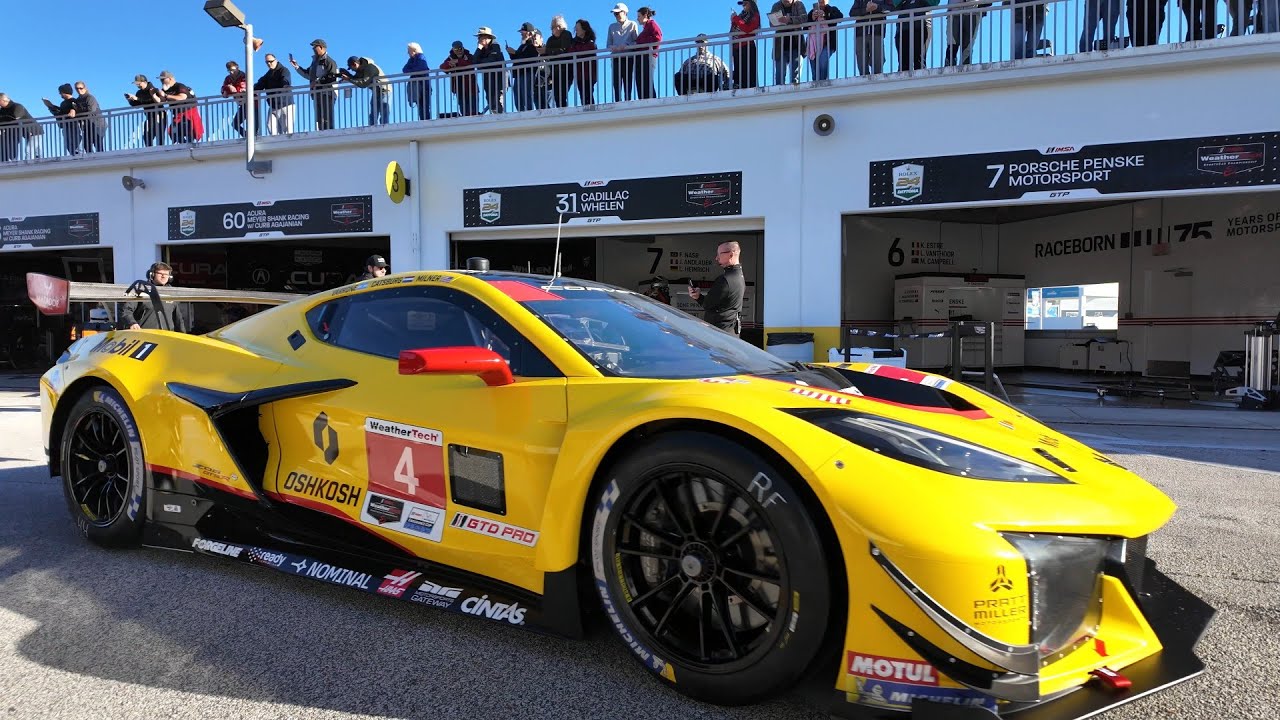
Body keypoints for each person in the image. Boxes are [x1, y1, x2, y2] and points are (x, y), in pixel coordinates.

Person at [689, 241, 745, 336]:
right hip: (731, 332)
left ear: (731, 254)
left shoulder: (725, 279)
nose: (716, 258)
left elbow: (708, 304)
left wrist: (698, 297)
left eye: (719, 254)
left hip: (719, 334)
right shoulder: (739, 276)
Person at [121, 262, 187, 332]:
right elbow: (126, 310)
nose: (163, 276)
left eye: (166, 274)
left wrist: (183, 334)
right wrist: (132, 323)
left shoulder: (171, 293)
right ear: (152, 275)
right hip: (146, 335)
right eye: (160, 274)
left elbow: (178, 318)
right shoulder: (141, 291)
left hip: (167, 336)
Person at [291, 38, 340, 131]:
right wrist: (297, 67)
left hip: (327, 93)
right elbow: (308, 75)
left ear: (321, 47)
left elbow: (332, 77)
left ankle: (329, 134)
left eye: (315, 47)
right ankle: (321, 133)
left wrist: (318, 82)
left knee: (327, 117)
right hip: (316, 93)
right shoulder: (314, 62)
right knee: (319, 118)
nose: (313, 49)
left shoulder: (329, 61)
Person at [340, 56, 392, 126]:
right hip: (376, 91)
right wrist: (348, 75)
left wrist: (349, 79)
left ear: (355, 64)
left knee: (384, 110)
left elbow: (363, 83)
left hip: (384, 89)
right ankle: (372, 127)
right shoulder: (360, 70)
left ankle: (385, 127)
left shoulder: (370, 67)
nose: (352, 70)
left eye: (351, 68)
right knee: (373, 112)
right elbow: (356, 79)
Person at [157, 71, 204, 144]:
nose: (161, 81)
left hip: (188, 113)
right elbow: (160, 101)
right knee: (173, 132)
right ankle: (184, 144)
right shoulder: (165, 90)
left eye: (163, 79)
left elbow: (182, 97)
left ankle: (189, 144)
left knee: (187, 129)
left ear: (170, 78)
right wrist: (154, 94)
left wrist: (166, 96)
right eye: (161, 79)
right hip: (177, 115)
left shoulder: (180, 86)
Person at [508, 22, 545, 112]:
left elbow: (531, 56)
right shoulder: (522, 46)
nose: (521, 34)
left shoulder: (533, 44)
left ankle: (529, 113)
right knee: (518, 96)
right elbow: (518, 58)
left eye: (523, 32)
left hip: (528, 72)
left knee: (527, 95)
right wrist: (512, 53)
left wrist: (516, 53)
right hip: (518, 73)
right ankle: (521, 113)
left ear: (529, 32)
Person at [254, 53, 295, 135]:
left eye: (271, 61)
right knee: (270, 127)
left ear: (276, 60)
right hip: (273, 106)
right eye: (267, 62)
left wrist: (285, 85)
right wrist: (251, 90)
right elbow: (260, 84)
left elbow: (285, 79)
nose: (269, 64)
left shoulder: (284, 70)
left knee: (287, 131)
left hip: (285, 105)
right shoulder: (268, 74)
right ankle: (277, 145)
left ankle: (286, 146)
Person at [770, 0, 809, 85]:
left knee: (795, 76)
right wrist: (778, 22)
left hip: (796, 44)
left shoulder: (798, 4)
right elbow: (771, 23)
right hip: (780, 46)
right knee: (780, 75)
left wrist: (789, 19)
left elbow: (805, 18)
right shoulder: (776, 6)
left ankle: (795, 94)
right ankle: (779, 95)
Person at [607, 3, 640, 101]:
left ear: (624, 12)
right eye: (615, 14)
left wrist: (626, 46)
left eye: (618, 13)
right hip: (616, 57)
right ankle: (617, 101)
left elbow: (636, 42)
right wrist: (613, 47)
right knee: (616, 81)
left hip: (628, 57)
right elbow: (608, 44)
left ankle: (627, 100)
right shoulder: (611, 27)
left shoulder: (632, 24)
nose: (616, 16)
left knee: (627, 80)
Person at [125, 74, 167, 146]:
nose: (138, 86)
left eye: (139, 84)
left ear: (145, 82)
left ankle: (161, 149)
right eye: (136, 84)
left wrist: (137, 99)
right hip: (149, 117)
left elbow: (153, 101)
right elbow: (137, 105)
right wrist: (130, 100)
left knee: (159, 134)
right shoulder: (139, 93)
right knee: (147, 135)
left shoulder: (153, 89)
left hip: (159, 114)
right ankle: (149, 150)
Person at [894, 0, 936, 72]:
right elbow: (895, 4)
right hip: (903, 28)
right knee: (903, 65)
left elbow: (934, 3)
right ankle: (904, 82)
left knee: (919, 62)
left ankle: (921, 82)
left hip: (921, 26)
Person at [807, 0, 844, 81]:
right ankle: (816, 84)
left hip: (828, 42)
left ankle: (823, 82)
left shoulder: (832, 9)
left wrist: (825, 14)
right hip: (813, 44)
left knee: (822, 60)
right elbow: (805, 27)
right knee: (814, 67)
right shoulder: (812, 12)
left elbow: (840, 18)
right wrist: (812, 18)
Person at [474, 27, 508, 114]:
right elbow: (474, 62)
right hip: (488, 79)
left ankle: (500, 118)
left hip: (499, 79)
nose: (478, 39)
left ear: (487, 37)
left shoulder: (495, 46)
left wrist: (480, 64)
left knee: (497, 99)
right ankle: (496, 116)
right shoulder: (481, 50)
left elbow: (491, 61)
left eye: (480, 37)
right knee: (490, 99)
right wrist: (478, 49)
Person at [441, 41, 479, 117]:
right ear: (453, 49)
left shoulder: (468, 55)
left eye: (460, 48)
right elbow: (442, 67)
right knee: (463, 109)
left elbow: (472, 62)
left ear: (463, 48)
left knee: (473, 109)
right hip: (459, 88)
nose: (458, 51)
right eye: (456, 49)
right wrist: (449, 64)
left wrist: (458, 62)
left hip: (471, 87)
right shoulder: (450, 58)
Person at [850, 0, 888, 75]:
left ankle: (877, 79)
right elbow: (852, 13)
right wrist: (866, 10)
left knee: (878, 60)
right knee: (861, 61)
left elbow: (890, 8)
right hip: (861, 33)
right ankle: (864, 79)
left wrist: (877, 7)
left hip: (877, 32)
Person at [0, 94, 42, 162]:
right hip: (25, 132)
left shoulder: (17, 106)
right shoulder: (3, 110)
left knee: (29, 150)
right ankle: (38, 160)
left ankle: (29, 165)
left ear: (3, 100)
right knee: (35, 149)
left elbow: (16, 118)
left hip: (33, 130)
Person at [42, 84, 81, 156]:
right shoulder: (63, 103)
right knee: (69, 144)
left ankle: (80, 156)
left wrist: (73, 110)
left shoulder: (74, 100)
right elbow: (60, 113)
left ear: (64, 92)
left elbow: (76, 108)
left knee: (76, 143)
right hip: (65, 125)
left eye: (60, 92)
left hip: (73, 125)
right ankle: (74, 156)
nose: (60, 94)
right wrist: (51, 106)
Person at [730, 0, 762, 90]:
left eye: (745, 3)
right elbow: (733, 31)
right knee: (739, 72)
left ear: (752, 4)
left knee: (748, 72)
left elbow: (748, 29)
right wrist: (733, 20)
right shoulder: (741, 16)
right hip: (737, 47)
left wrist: (735, 18)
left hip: (747, 46)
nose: (743, 6)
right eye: (742, 4)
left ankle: (750, 90)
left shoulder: (755, 15)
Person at [545, 16, 575, 108]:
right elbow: (547, 55)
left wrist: (548, 51)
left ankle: (563, 111)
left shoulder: (566, 34)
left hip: (566, 69)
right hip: (555, 71)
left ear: (559, 26)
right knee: (557, 95)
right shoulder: (550, 39)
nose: (552, 30)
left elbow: (564, 50)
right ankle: (561, 110)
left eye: (553, 27)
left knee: (562, 93)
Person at [634, 7, 662, 99]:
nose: (637, 18)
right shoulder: (646, 27)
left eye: (639, 16)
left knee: (647, 80)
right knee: (640, 80)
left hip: (648, 56)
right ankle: (643, 100)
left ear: (645, 16)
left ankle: (651, 100)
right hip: (642, 56)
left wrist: (641, 43)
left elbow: (657, 38)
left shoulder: (652, 25)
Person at [570, 20, 599, 106]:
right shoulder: (574, 42)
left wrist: (594, 77)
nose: (576, 30)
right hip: (579, 74)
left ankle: (592, 112)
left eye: (578, 28)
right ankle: (585, 109)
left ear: (584, 29)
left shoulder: (591, 43)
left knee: (589, 94)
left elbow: (590, 55)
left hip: (589, 73)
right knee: (582, 94)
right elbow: (571, 52)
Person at [73, 82, 107, 153]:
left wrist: (78, 113)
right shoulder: (77, 100)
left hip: (98, 124)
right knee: (86, 144)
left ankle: (100, 158)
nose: (79, 90)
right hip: (87, 125)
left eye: (81, 88)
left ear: (85, 88)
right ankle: (91, 157)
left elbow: (91, 111)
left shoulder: (90, 97)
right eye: (77, 89)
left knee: (98, 143)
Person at [404, 42, 432, 121]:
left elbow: (421, 68)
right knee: (420, 106)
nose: (408, 53)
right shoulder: (411, 60)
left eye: (409, 51)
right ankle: (423, 120)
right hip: (417, 87)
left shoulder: (421, 57)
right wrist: (414, 70)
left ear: (414, 50)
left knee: (425, 106)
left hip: (424, 86)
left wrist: (412, 70)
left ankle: (426, 121)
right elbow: (405, 70)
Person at [221, 60, 250, 137]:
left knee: (252, 124)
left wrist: (231, 89)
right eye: (229, 70)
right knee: (235, 124)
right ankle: (247, 137)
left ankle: (251, 137)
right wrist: (228, 88)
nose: (231, 72)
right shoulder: (228, 78)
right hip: (242, 104)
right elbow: (223, 88)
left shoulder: (243, 76)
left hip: (251, 103)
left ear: (237, 68)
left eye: (233, 70)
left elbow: (242, 88)